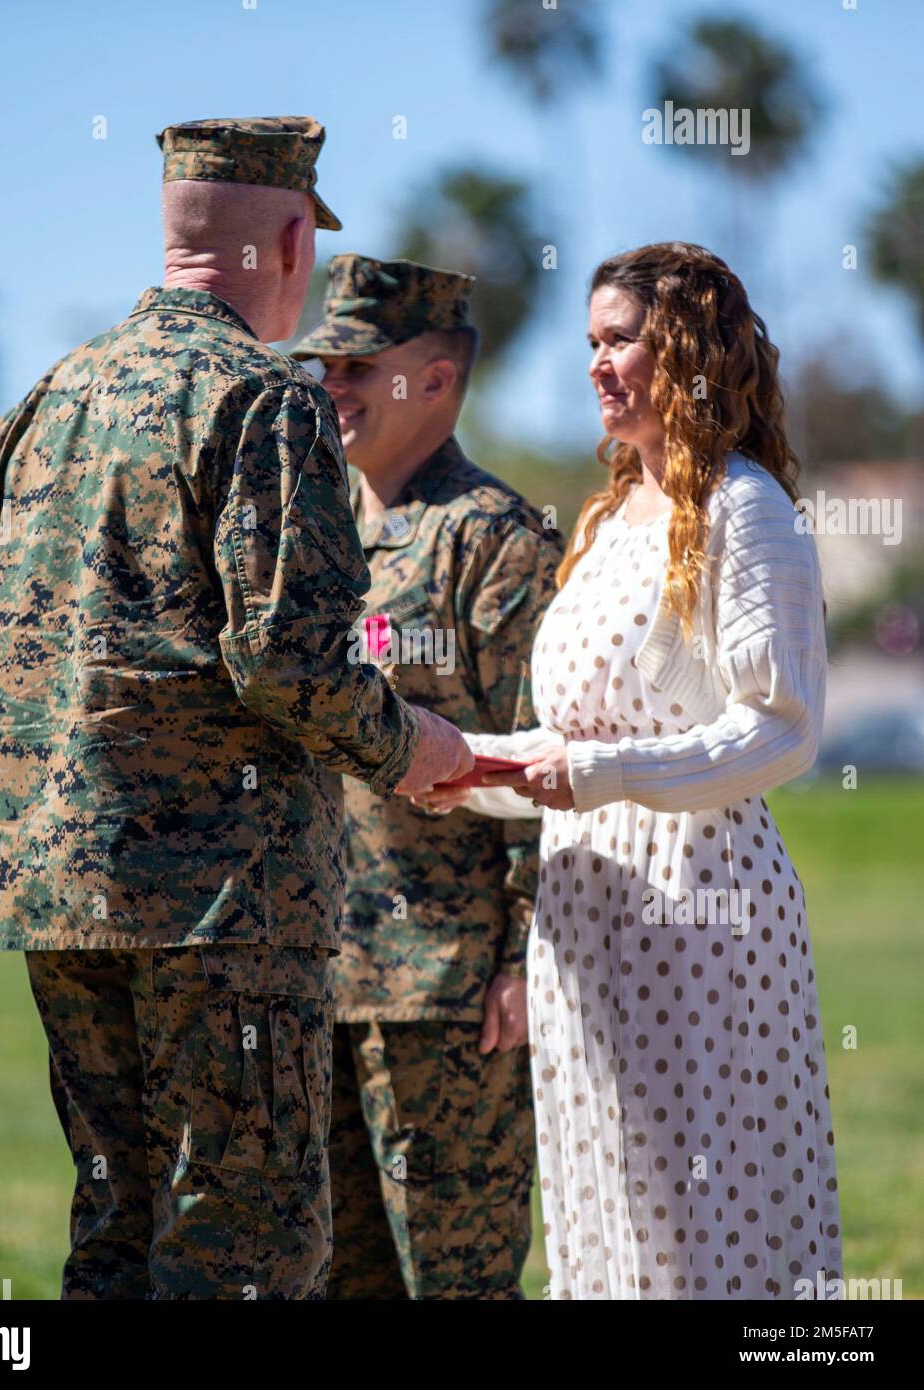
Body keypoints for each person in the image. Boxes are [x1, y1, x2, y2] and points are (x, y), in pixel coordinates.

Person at [0, 118, 471, 1302]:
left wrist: (90, 785)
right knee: (241, 1247)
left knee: (116, 1235)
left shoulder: (38, 405)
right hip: (224, 908)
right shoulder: (259, 401)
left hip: (61, 893)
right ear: (292, 240)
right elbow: (289, 664)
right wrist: (412, 746)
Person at [425, 242, 840, 1300]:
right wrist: (443, 766)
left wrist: (600, 771)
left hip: (696, 908)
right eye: (591, 343)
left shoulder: (746, 513)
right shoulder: (610, 524)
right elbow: (560, 745)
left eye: (622, 340)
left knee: (703, 1222)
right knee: (600, 1206)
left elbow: (781, 730)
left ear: (690, 352)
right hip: (582, 909)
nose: (598, 364)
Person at [291, 255, 564, 1298]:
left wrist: (527, 951)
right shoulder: (312, 535)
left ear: (438, 380)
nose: (332, 386)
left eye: (359, 363)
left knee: (455, 1286)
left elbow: (541, 755)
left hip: (448, 995)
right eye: (325, 363)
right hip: (317, 980)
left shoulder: (494, 541)